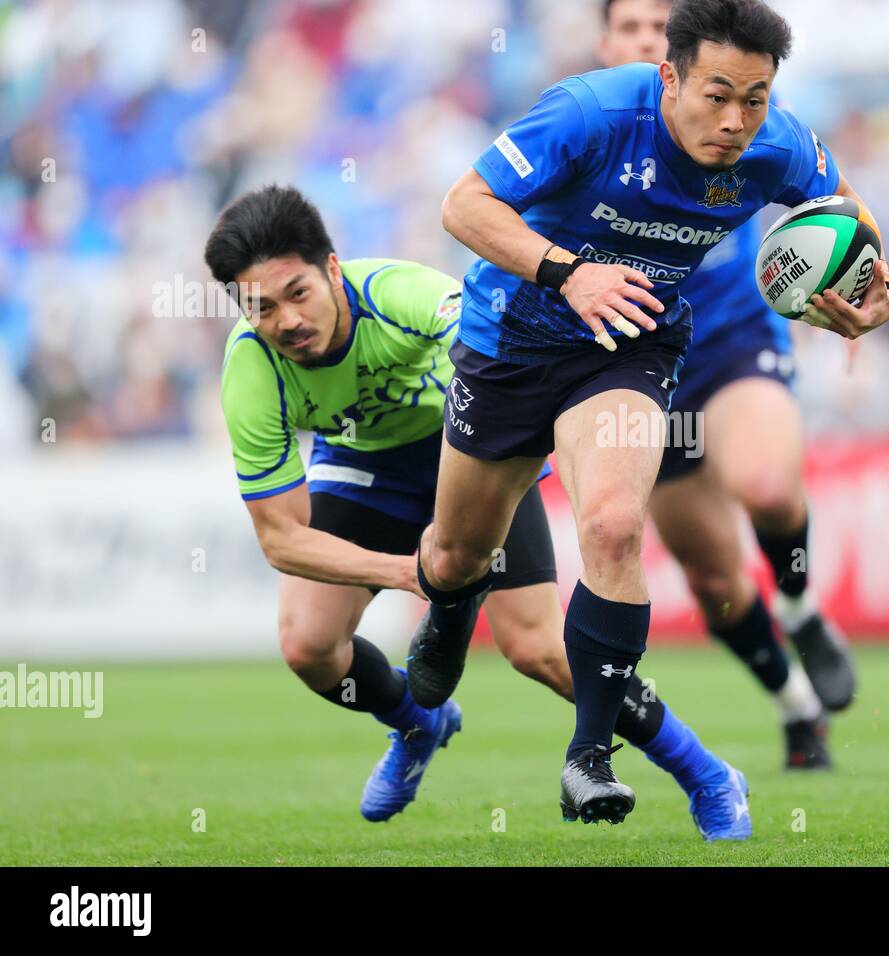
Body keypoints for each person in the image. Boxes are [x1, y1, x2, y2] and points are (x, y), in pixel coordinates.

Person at [413, 0, 889, 825]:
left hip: (632, 343)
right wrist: (568, 272)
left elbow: (849, 212)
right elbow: (463, 206)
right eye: (717, 95)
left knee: (610, 524)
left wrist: (873, 291)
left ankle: (588, 759)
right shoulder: (590, 112)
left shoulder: (777, 142)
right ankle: (451, 606)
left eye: (755, 98)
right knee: (458, 553)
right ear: (668, 77)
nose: (737, 121)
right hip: (511, 344)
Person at [206, 184, 755, 839]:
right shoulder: (249, 368)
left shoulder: (409, 299)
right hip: (365, 471)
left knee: (543, 653)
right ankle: (418, 722)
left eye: (297, 293)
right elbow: (281, 539)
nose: (286, 322)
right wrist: (417, 574)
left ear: (331, 269)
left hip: (472, 458)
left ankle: (708, 775)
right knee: (308, 646)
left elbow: (511, 358)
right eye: (260, 308)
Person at [597, 0, 856, 773]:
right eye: (631, 29)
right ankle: (796, 707)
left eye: (658, 27)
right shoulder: (582, 127)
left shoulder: (744, 119)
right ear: (607, 44)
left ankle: (803, 610)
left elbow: (835, 206)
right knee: (712, 579)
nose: (647, 41)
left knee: (769, 488)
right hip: (638, 368)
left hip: (736, 338)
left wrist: (868, 284)